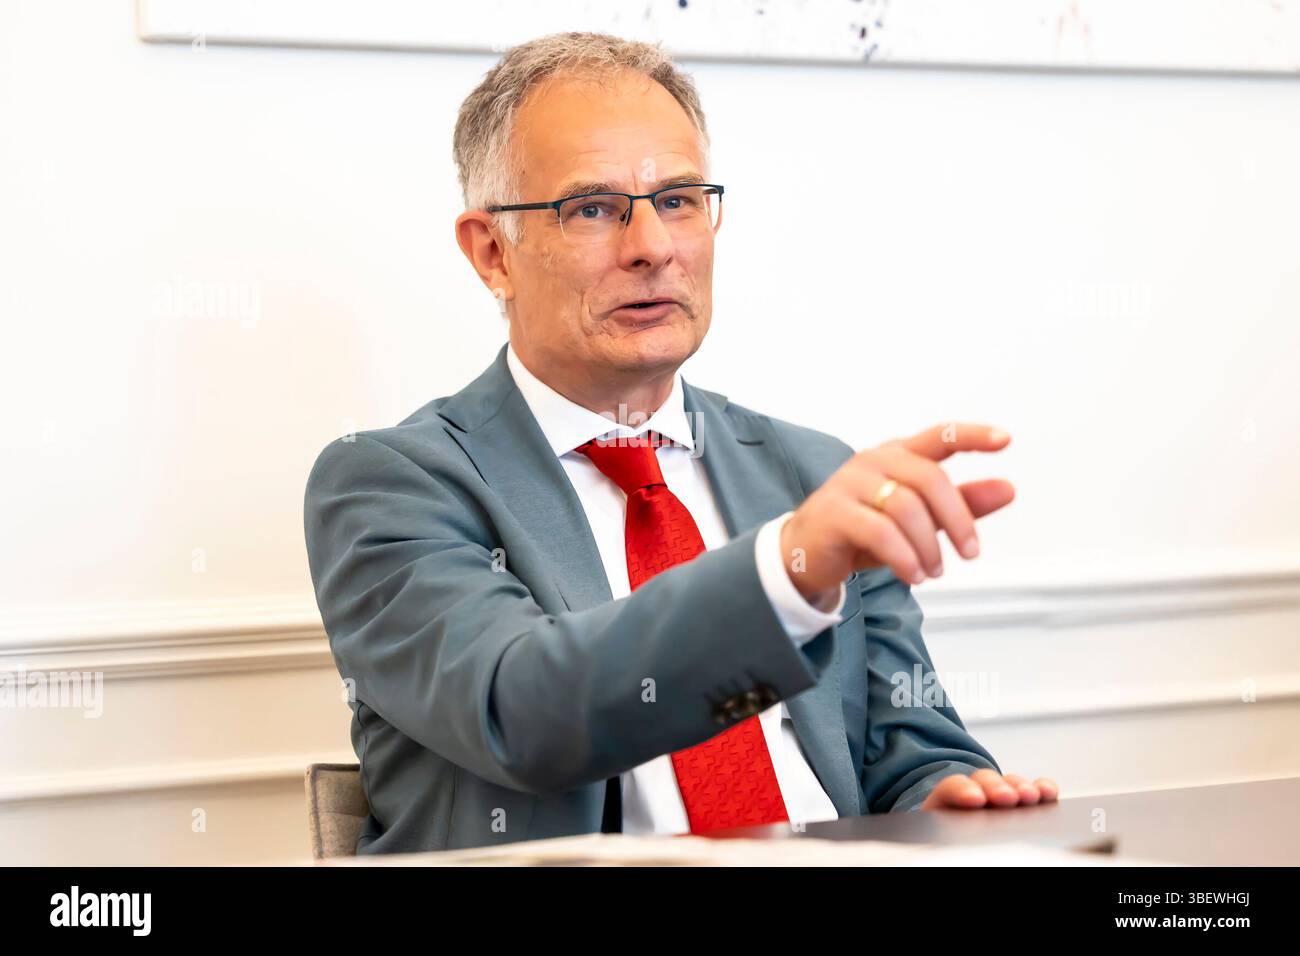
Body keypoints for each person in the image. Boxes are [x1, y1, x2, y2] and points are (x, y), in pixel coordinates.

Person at [304, 31, 1057, 855]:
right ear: (493, 253)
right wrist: (786, 568)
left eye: (679, 200)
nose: (653, 247)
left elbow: (905, 749)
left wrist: (942, 792)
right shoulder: (389, 484)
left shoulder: (814, 473)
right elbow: (519, 711)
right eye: (591, 208)